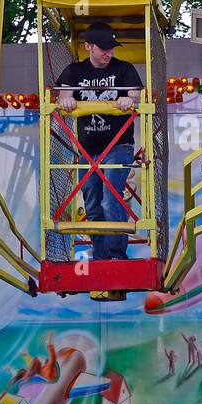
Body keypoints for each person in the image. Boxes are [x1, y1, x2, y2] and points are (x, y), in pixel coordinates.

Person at [54, 21, 143, 301]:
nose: (108, 53)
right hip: (87, 149)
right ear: (88, 47)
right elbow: (63, 96)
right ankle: (103, 257)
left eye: (111, 48)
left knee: (109, 198)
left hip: (118, 147)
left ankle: (116, 257)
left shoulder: (124, 69)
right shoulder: (75, 71)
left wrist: (129, 101)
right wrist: (68, 102)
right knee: (91, 201)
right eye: (103, 48)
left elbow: (136, 95)